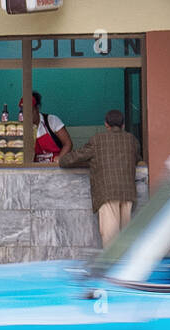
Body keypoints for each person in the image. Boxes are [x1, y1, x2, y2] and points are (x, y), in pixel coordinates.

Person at [59, 109, 140, 246]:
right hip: (128, 193)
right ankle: (124, 266)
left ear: (106, 124)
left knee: (110, 240)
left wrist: (61, 159)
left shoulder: (98, 140)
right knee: (125, 241)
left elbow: (71, 159)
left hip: (107, 193)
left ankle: (112, 266)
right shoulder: (132, 140)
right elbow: (137, 158)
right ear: (123, 125)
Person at [19, 91, 72, 163]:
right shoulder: (22, 128)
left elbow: (68, 144)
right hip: (35, 168)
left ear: (37, 108)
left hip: (55, 166)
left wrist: (60, 158)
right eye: (23, 111)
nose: (27, 115)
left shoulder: (52, 121)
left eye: (30, 111)